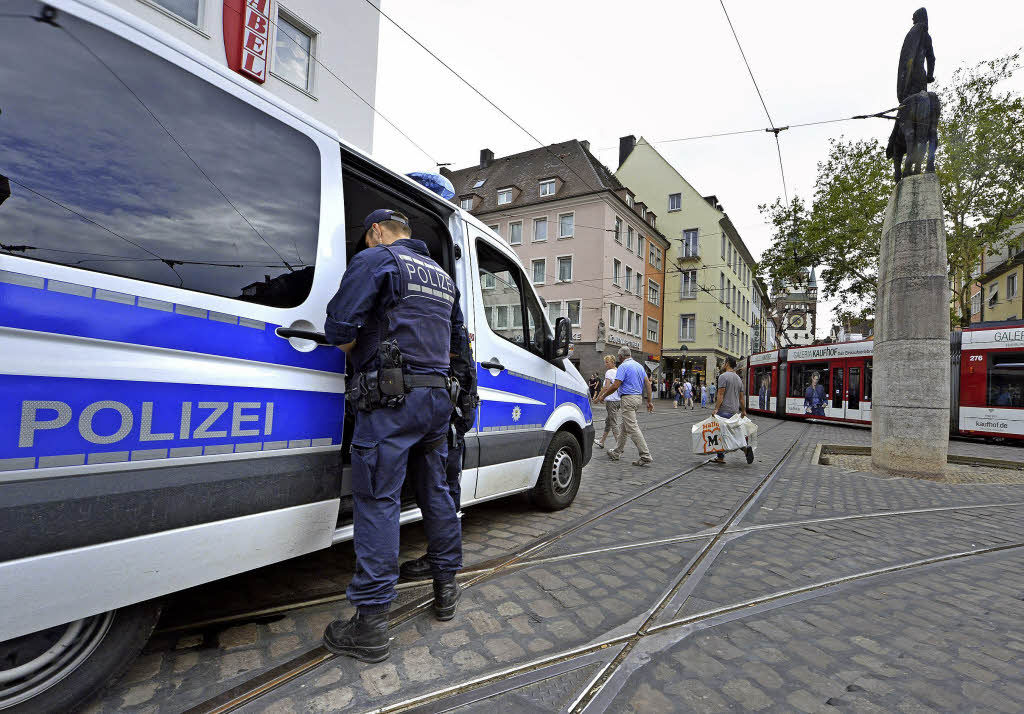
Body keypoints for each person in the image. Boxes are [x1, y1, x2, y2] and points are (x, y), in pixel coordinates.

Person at [321, 209, 464, 663]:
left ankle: (371, 623)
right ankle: (446, 588)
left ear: (376, 232)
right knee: (435, 491)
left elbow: (338, 329)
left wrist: (361, 348)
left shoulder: (377, 259)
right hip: (436, 400)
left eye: (367, 239)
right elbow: (457, 346)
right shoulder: (442, 277)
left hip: (391, 402)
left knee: (378, 499)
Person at [399, 323, 478, 581]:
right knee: (444, 485)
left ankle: (441, 559)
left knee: (443, 486)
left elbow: (457, 366)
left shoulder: (445, 323)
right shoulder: (448, 318)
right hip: (452, 411)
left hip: (450, 414)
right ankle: (444, 560)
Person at [596, 346, 654, 466]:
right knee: (624, 426)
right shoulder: (639, 366)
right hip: (638, 399)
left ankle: (645, 455)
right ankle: (616, 452)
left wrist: (603, 396)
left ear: (620, 356)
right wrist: (649, 401)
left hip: (628, 399)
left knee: (632, 427)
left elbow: (615, 385)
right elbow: (648, 384)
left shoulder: (623, 366)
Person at [711, 356, 755, 465]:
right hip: (734, 411)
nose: (722, 364)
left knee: (720, 434)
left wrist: (716, 409)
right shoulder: (738, 379)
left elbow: (720, 394)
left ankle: (720, 457)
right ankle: (745, 449)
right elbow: (741, 398)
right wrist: (743, 411)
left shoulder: (723, 377)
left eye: (723, 362)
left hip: (723, 410)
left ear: (727, 364)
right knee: (734, 434)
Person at [594, 354, 621, 449]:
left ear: (612, 362)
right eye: (605, 362)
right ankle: (602, 441)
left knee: (613, 423)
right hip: (618, 400)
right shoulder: (618, 371)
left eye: (607, 362)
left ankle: (619, 447)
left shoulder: (609, 372)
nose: (606, 364)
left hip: (611, 401)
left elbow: (606, 387)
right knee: (608, 422)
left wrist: (599, 397)